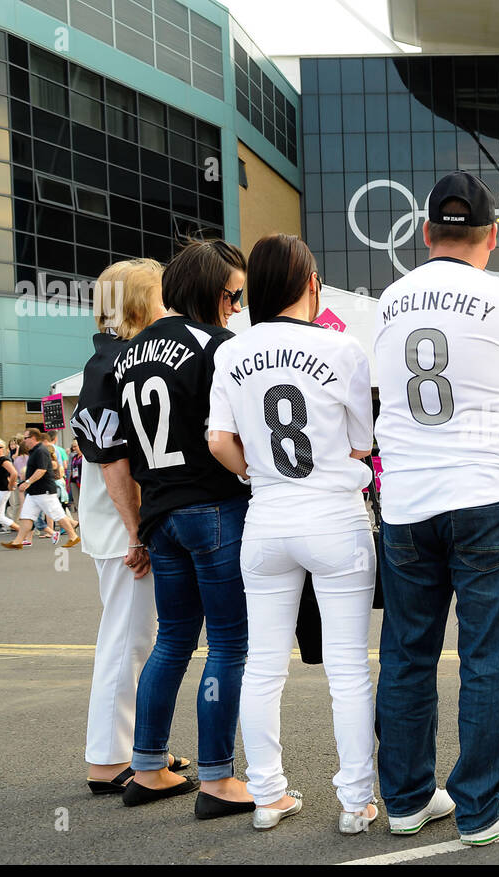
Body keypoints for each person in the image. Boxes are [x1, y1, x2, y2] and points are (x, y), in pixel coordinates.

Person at [373, 171, 499, 845]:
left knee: (407, 655)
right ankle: (479, 807)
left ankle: (408, 799)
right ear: (492, 236)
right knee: (488, 657)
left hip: (408, 497)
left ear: (424, 234)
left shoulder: (390, 300)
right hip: (485, 494)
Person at [208, 234, 377, 833]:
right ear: (312, 284)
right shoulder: (343, 349)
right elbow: (362, 441)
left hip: (268, 516)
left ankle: (267, 795)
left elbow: (218, 441)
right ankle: (356, 802)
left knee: (263, 667)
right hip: (334, 514)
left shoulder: (231, 352)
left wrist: (254, 470)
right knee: (348, 668)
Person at [115, 238, 254, 819]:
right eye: (231, 294)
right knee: (227, 643)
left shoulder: (128, 355)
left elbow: (116, 448)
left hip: (161, 513)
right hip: (214, 506)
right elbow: (233, 431)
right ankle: (219, 781)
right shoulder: (218, 347)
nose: (236, 306)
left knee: (173, 640)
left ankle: (148, 766)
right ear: (207, 290)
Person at [74, 257, 190, 794]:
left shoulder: (107, 360)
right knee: (127, 641)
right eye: (163, 296)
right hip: (123, 526)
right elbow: (110, 460)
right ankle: (108, 758)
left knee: (133, 638)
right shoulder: (112, 365)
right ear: (144, 303)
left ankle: (136, 747)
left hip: (118, 523)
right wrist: (136, 531)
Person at [1, 429, 80, 549]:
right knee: (26, 516)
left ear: (33, 438)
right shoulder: (34, 451)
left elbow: (42, 470)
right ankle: (18, 541)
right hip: (34, 492)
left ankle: (73, 536)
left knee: (57, 514)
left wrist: (27, 482)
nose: (24, 440)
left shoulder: (41, 451)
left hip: (45, 490)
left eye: (26, 438)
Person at [66, 439, 82, 516]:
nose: (74, 448)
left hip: (82, 481)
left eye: (75, 446)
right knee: (77, 501)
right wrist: (68, 483)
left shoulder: (85, 457)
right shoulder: (74, 457)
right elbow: (72, 470)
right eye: (73, 447)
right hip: (74, 481)